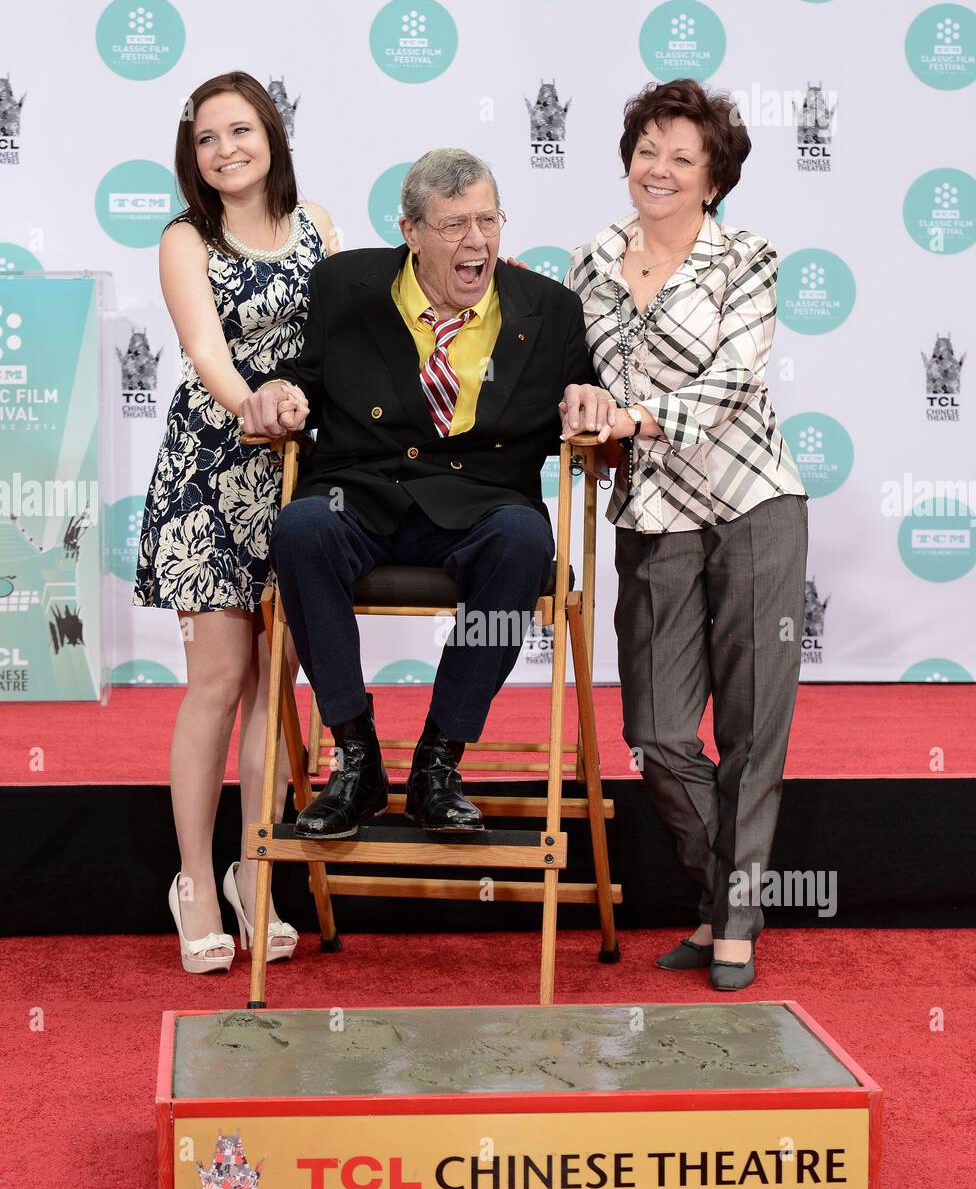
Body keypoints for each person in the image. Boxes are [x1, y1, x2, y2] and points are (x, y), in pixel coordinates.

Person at [240, 148, 592, 839]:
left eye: (488, 221)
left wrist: (592, 407)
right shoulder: (346, 285)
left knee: (525, 540)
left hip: (483, 501)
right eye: (454, 224)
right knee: (301, 528)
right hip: (362, 492)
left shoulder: (549, 309)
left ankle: (439, 761)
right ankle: (356, 755)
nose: (477, 241)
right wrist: (283, 393)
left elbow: (582, 397)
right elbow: (304, 376)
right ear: (411, 231)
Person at [561, 79, 808, 991]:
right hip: (653, 515)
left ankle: (730, 921)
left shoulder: (746, 256)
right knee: (659, 733)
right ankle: (728, 894)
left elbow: (734, 382)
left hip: (753, 504)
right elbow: (575, 375)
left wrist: (626, 416)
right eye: (646, 151)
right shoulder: (590, 260)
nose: (657, 170)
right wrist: (586, 410)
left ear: (713, 178)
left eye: (681, 156)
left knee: (751, 727)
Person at [133, 71, 338, 973]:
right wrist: (255, 402)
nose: (226, 150)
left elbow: (347, 336)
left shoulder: (321, 226)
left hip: (298, 478)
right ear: (194, 154)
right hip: (213, 474)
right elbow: (205, 351)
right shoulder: (187, 237)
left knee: (276, 685)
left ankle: (252, 876)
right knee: (218, 679)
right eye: (208, 137)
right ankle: (189, 880)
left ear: (272, 135)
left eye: (241, 131)